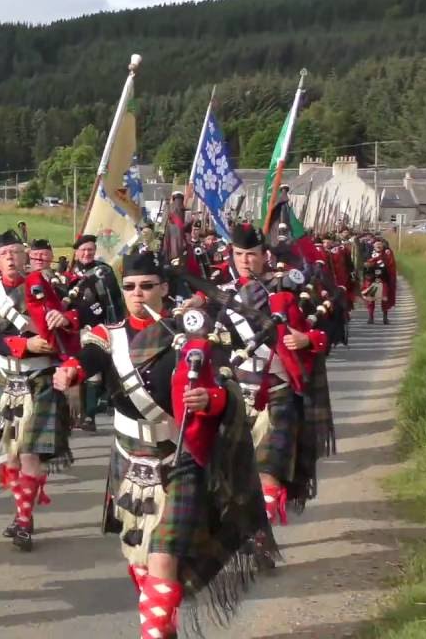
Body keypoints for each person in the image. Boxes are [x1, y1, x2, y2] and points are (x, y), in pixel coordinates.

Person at [52, 250, 271, 639]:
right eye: (131, 287)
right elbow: (89, 356)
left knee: (163, 557)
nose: (138, 293)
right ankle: (163, 627)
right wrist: (72, 370)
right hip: (128, 457)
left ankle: (152, 633)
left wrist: (212, 400)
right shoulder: (109, 335)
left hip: (178, 456)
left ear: (165, 288)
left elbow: (226, 386)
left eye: (147, 286)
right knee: (139, 559)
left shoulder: (188, 334)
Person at [216, 223, 332, 532]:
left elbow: (325, 329)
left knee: (268, 471)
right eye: (238, 254)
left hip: (277, 390)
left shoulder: (288, 287)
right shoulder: (217, 293)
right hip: (234, 393)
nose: (244, 260)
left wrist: (308, 341)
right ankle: (253, 531)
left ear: (264, 255)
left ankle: (261, 532)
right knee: (236, 476)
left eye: (251, 254)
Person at [0, 231, 74, 551]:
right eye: (4, 253)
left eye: (15, 252)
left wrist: (58, 324)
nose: (10, 258)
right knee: (12, 454)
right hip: (6, 379)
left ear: (25, 256)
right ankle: (23, 507)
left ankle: (23, 518)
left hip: (39, 379)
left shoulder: (42, 288)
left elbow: (65, 325)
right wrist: (23, 344)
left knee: (29, 452)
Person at [66, 233, 125, 432]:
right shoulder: (67, 273)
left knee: (93, 374)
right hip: (73, 328)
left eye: (90, 250)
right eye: (83, 250)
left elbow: (115, 298)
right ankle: (75, 414)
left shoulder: (104, 271)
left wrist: (117, 322)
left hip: (98, 327)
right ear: (76, 252)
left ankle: (89, 415)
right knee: (74, 369)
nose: (86, 253)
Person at [361, 238, 396, 325]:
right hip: (371, 278)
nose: (378, 246)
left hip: (383, 278)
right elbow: (365, 266)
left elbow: (391, 266)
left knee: (385, 298)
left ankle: (385, 318)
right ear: (373, 245)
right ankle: (370, 317)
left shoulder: (387, 253)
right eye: (376, 244)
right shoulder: (369, 253)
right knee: (370, 298)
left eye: (380, 244)